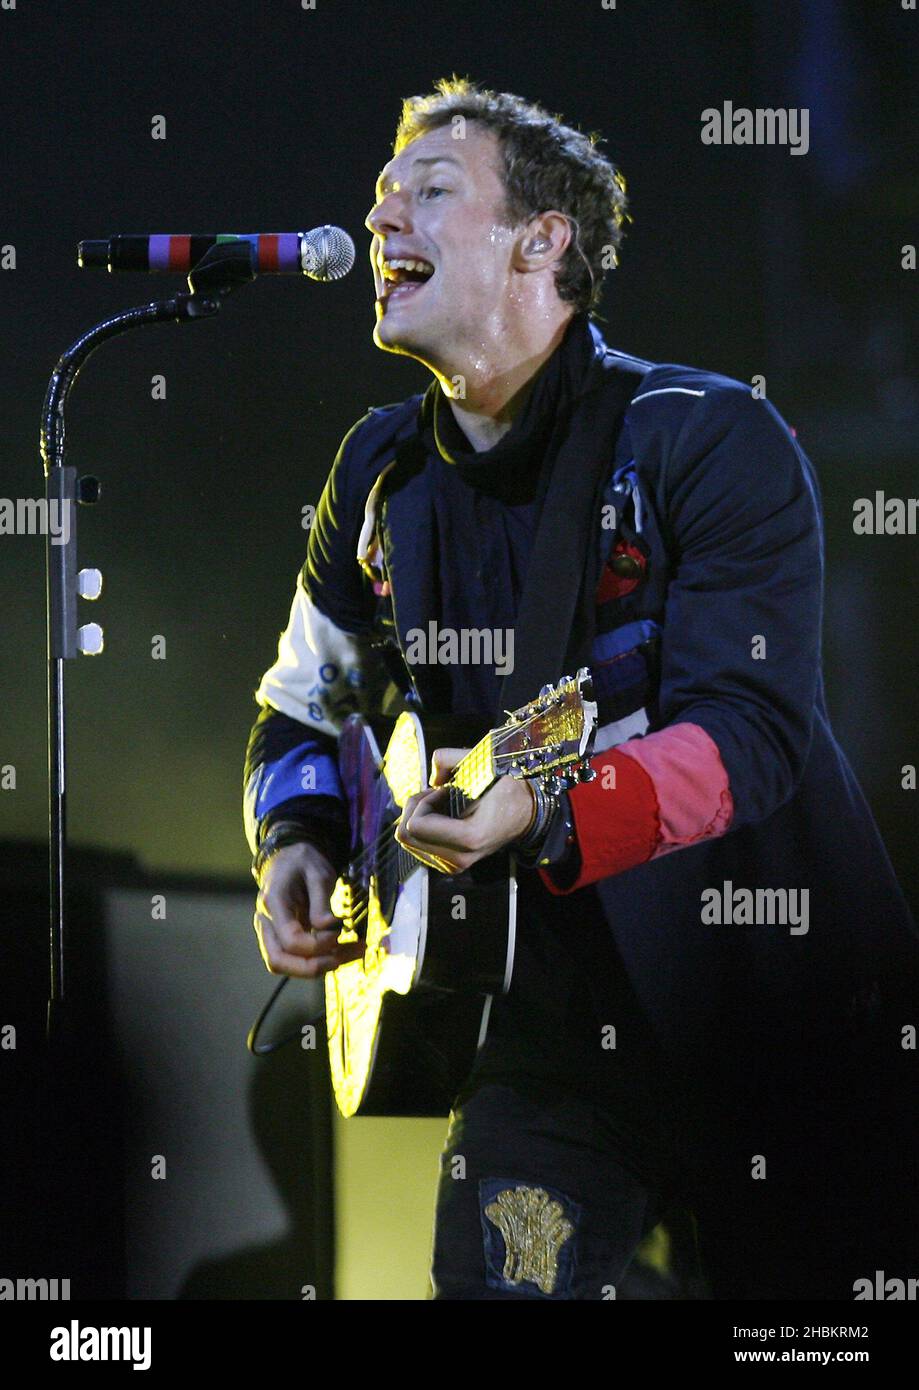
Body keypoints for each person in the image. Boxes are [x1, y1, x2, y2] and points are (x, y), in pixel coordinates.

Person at [243, 78, 918, 1300]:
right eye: (382, 187)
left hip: (773, 1012)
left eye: (432, 188)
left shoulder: (704, 437)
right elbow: (304, 703)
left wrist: (543, 810)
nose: (384, 209)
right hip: (545, 1040)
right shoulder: (379, 473)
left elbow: (745, 736)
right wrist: (293, 842)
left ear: (541, 241)